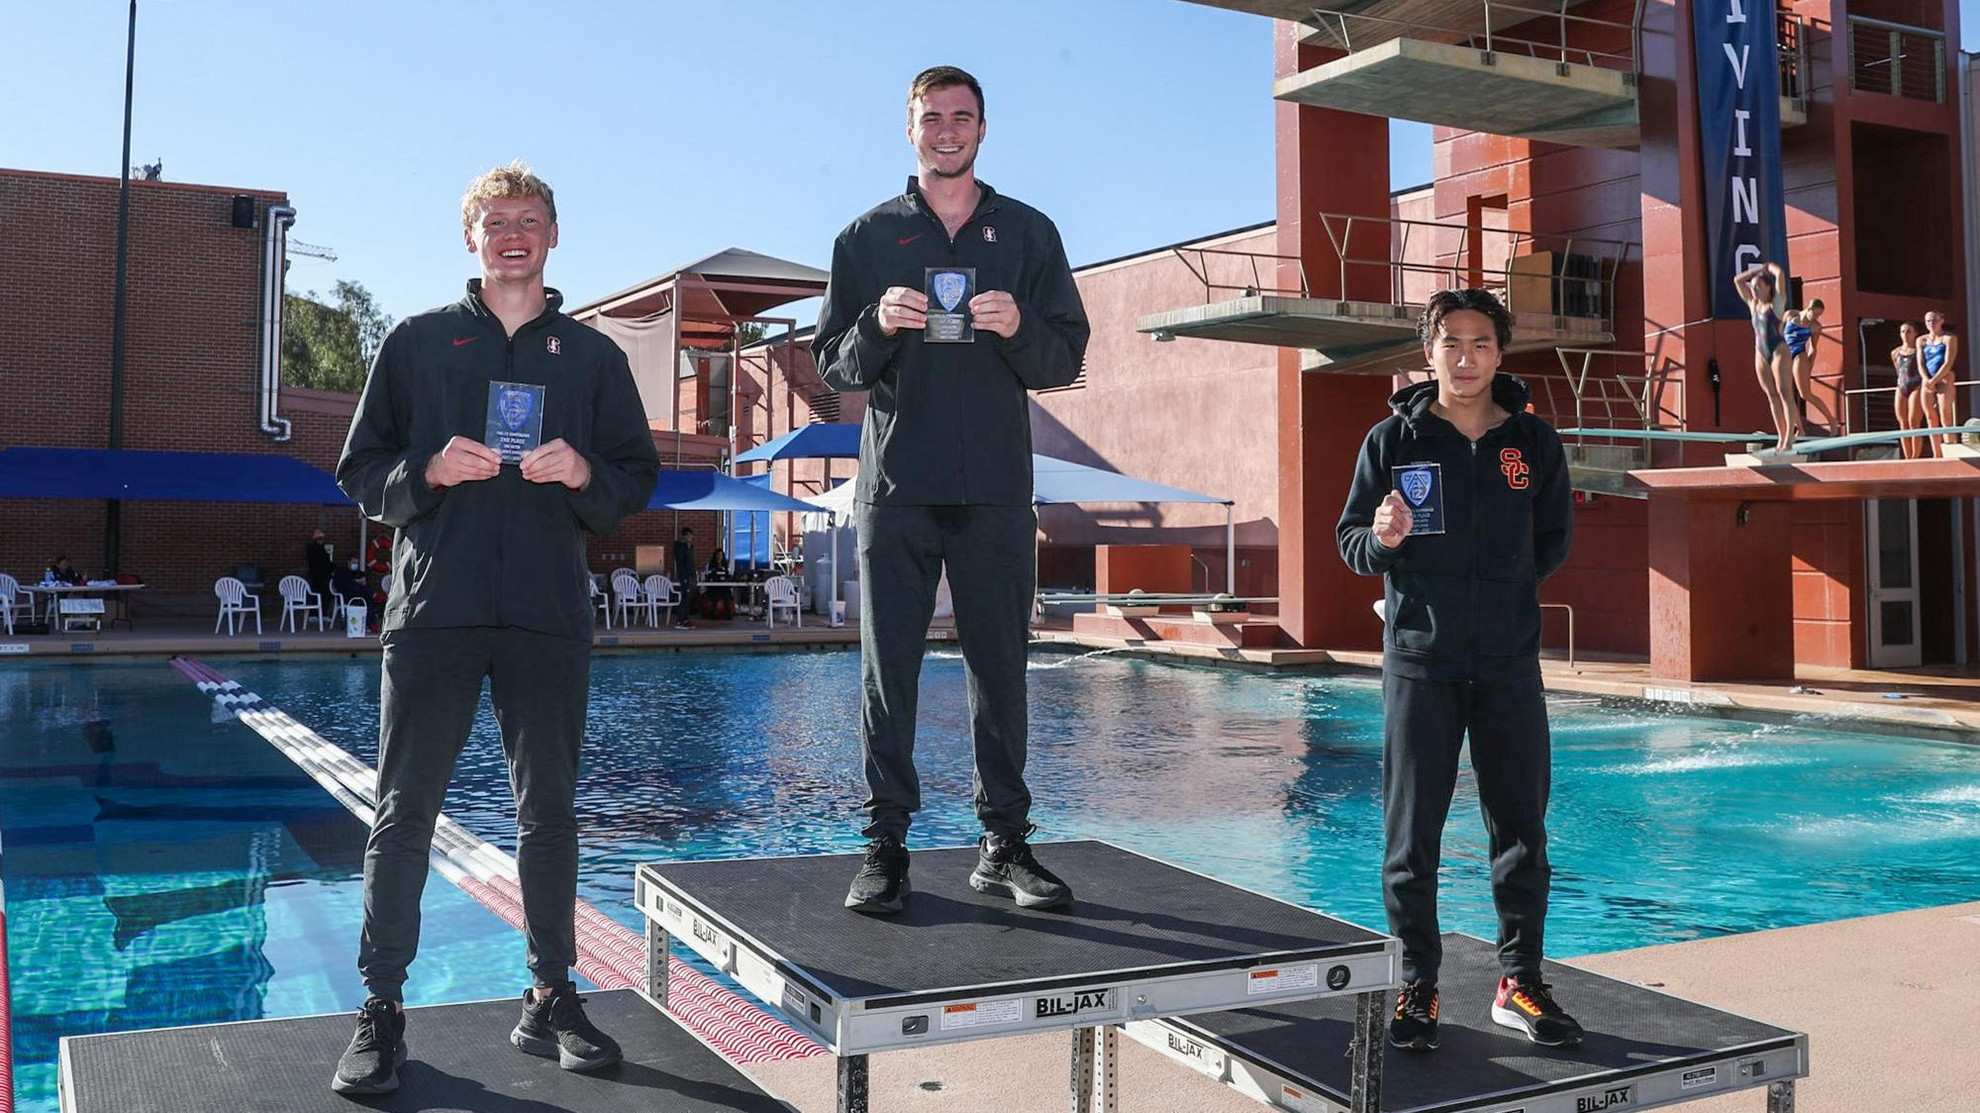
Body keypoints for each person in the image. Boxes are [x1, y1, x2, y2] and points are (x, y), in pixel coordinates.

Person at [331, 162, 659, 1096]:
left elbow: (633, 483)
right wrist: (426, 472)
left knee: (548, 814)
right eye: (495, 222)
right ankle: (383, 1005)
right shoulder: (417, 342)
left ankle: (550, 992)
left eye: (530, 220)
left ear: (552, 236)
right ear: (469, 239)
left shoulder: (593, 359)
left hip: (547, 617)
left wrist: (582, 473)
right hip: (436, 610)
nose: (513, 234)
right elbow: (360, 471)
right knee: (404, 815)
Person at [815, 65, 1090, 915]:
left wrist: (1020, 330)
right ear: (909, 128)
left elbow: (1066, 358)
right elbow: (834, 365)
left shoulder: (1028, 232)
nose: (946, 130)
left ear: (982, 127)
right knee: (887, 674)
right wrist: (875, 324)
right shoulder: (866, 238)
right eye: (931, 117)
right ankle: (885, 847)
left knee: (1001, 671)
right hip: (897, 487)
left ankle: (1003, 844)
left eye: (960, 117)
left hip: (998, 491)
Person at [1337, 288, 1581, 1053]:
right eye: (1452, 342)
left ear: (1501, 354)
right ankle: (1417, 985)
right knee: (1413, 835)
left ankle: (1520, 981)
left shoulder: (1534, 443)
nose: (1467, 356)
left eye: (1481, 342)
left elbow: (1552, 542)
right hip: (1422, 663)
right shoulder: (1394, 440)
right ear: (1429, 352)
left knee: (1521, 829)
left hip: (1508, 663)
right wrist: (1381, 542)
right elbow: (1351, 541)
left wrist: (1501, 595)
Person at [1734, 261, 1797, 453]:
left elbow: (1780, 276)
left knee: (1785, 393)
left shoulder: (1776, 305)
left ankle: (1789, 439)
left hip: (1778, 348)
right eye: (1752, 287)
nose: (1754, 290)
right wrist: (1756, 271)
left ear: (1768, 288)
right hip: (1761, 351)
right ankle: (1781, 435)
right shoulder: (1753, 305)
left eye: (1758, 286)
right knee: (1772, 396)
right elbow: (1737, 280)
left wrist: (1769, 268)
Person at [1783, 299, 1835, 437]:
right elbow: (1778, 333)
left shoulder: (1816, 327)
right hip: (1784, 355)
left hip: (1799, 355)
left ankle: (1832, 421)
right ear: (1809, 309)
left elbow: (1813, 347)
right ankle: (1799, 428)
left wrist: (1810, 365)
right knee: (1785, 394)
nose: (1817, 318)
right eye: (1816, 314)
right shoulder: (1790, 315)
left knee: (1805, 394)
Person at [1920, 310, 1960, 455]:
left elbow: (1948, 362)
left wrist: (1934, 380)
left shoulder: (1949, 338)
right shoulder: (1922, 340)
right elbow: (1921, 363)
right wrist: (1926, 380)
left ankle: (1950, 450)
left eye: (1934, 320)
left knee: (1945, 415)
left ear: (1942, 320)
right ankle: (1937, 453)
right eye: (1928, 321)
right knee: (1930, 417)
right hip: (1927, 379)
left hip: (1944, 377)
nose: (1931, 324)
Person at [1893, 322, 1927, 460]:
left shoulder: (1920, 351)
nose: (1905, 335)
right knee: (1903, 423)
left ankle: (1915, 456)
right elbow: (1899, 371)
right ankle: (1907, 457)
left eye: (1908, 332)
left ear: (1915, 334)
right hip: (1902, 386)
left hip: (1916, 385)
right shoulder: (1895, 352)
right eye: (1902, 332)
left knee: (1914, 422)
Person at [671, 527, 698, 630]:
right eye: (687, 535)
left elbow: (692, 562)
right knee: (684, 598)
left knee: (688, 598)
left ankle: (686, 619)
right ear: (683, 536)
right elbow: (681, 564)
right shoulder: (680, 547)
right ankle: (680, 620)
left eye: (691, 535)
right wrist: (684, 577)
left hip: (691, 575)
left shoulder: (690, 547)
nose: (689, 537)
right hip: (685, 576)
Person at [305, 529, 334, 600]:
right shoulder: (315, 550)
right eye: (319, 539)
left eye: (322, 539)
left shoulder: (321, 550)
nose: (321, 540)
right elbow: (323, 563)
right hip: (318, 578)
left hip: (320, 577)